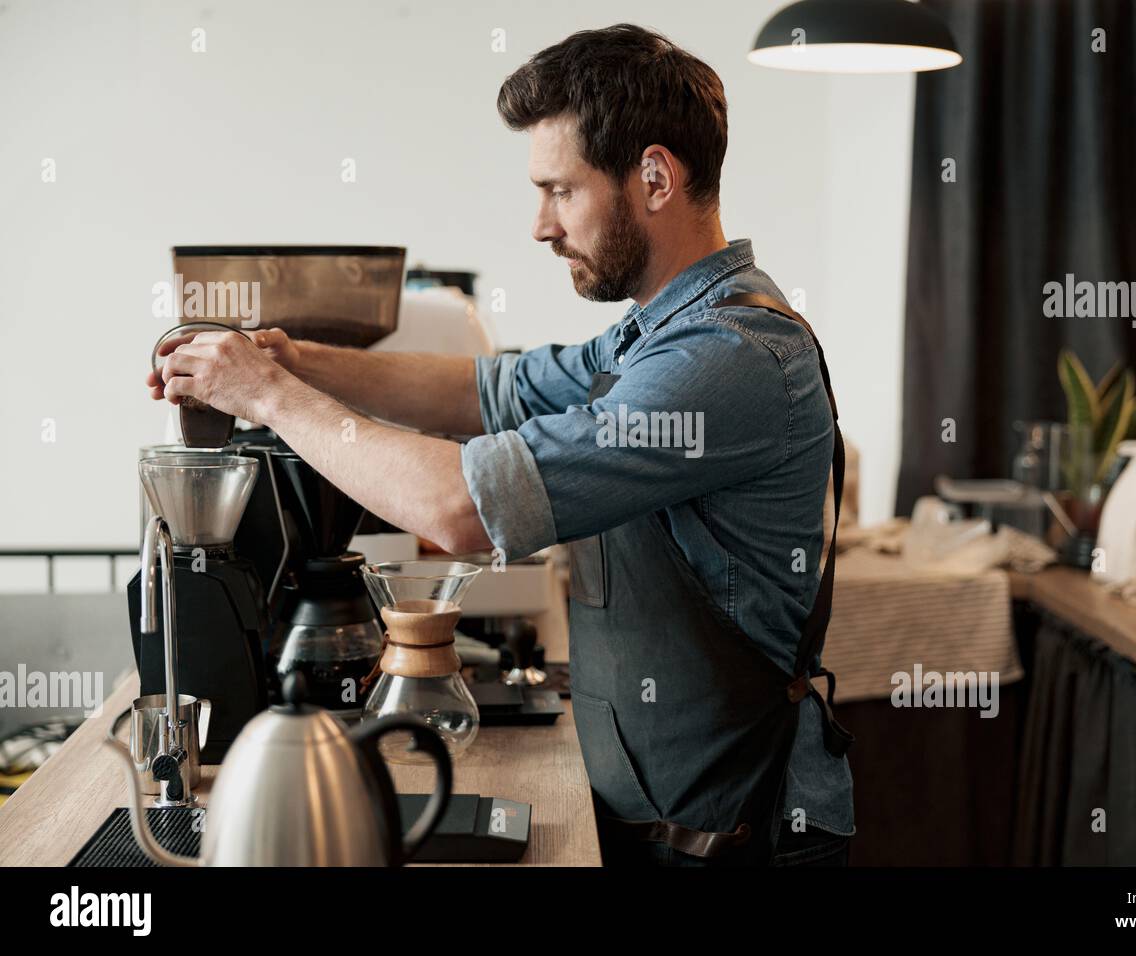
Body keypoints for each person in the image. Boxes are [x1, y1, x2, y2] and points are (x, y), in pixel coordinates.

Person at [146, 23, 853, 866]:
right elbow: (490, 391)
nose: (539, 226)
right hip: (665, 826)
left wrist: (267, 396)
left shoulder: (727, 359)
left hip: (729, 840)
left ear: (655, 178)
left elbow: (462, 506)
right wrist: (296, 359)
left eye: (560, 190)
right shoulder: (657, 335)